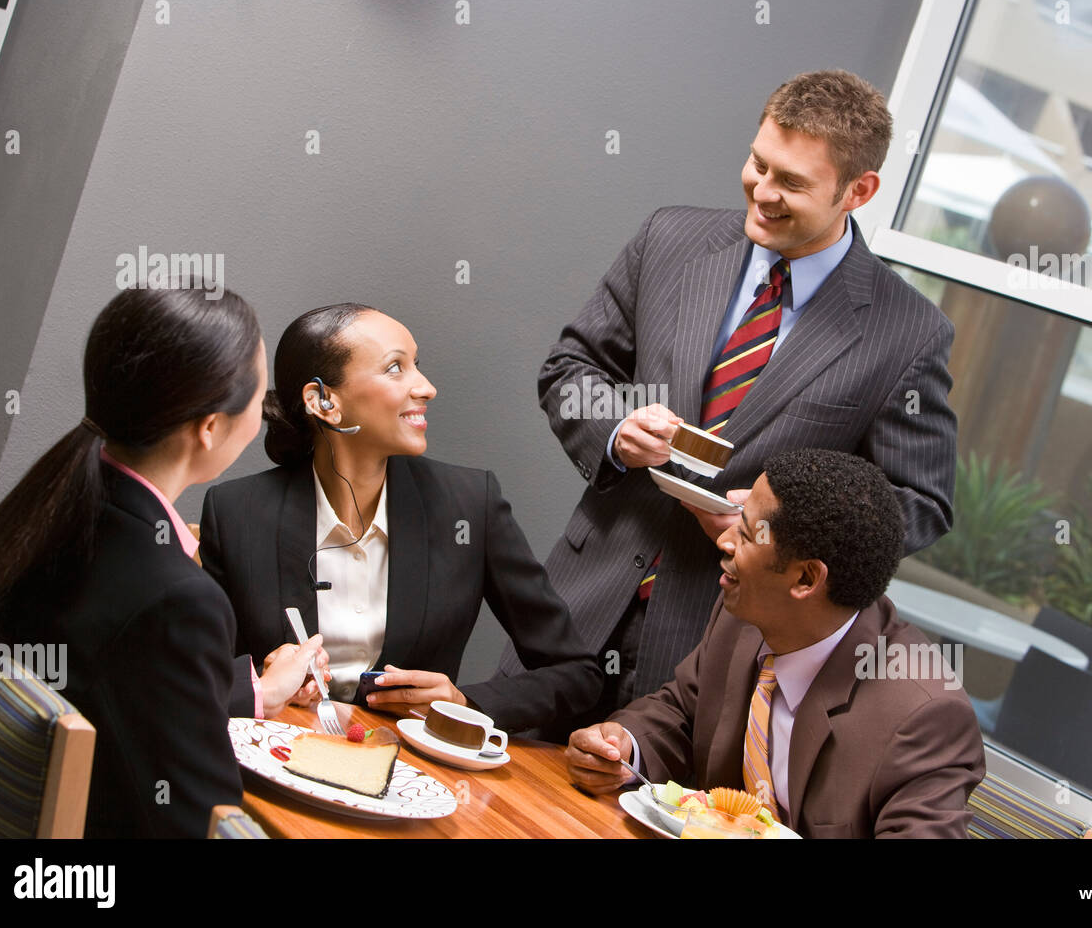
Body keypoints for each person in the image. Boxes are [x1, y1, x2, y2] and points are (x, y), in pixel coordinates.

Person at [499, 69, 959, 729]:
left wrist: (791, 522)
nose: (762, 193)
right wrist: (616, 428)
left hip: (717, 653)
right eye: (757, 163)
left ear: (859, 190)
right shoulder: (670, 240)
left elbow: (922, 503)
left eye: (792, 182)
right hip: (572, 610)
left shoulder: (907, 333)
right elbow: (570, 368)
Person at [0, 285, 323, 838]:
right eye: (256, 397)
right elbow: (203, 822)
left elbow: (105, 672)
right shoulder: (178, 598)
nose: (265, 409)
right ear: (209, 428)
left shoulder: (56, 516)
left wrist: (258, 690)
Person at [200, 303, 603, 733]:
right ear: (323, 401)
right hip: (275, 772)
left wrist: (463, 703)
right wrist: (260, 680)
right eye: (396, 368)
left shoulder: (470, 505)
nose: (427, 388)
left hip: (417, 786)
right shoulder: (234, 513)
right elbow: (195, 683)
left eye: (417, 365)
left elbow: (578, 674)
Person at [564, 449, 985, 838]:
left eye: (746, 535)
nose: (724, 542)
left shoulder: (925, 716)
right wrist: (623, 746)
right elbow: (682, 712)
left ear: (805, 579)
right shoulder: (742, 615)